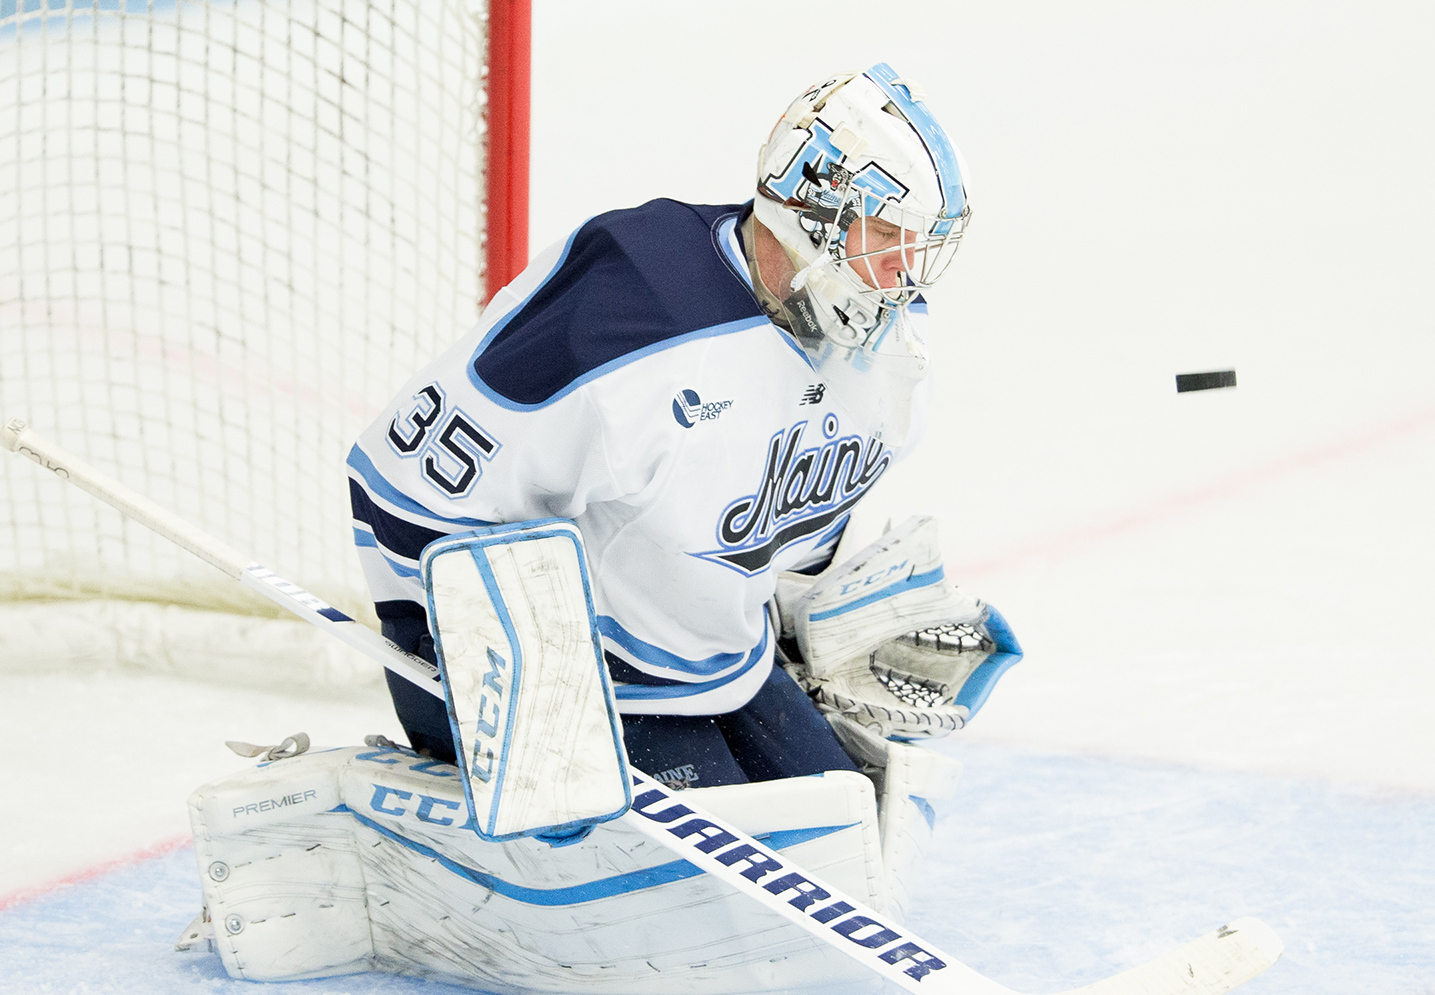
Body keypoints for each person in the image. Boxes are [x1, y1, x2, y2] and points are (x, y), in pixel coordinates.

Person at [347, 63, 977, 790]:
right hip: (575, 677)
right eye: (885, 236)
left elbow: (795, 527)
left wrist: (820, 617)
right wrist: (461, 672)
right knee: (740, 888)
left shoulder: (889, 345)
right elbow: (398, 484)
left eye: (919, 247)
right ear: (815, 213)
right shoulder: (630, 311)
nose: (903, 277)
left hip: (722, 665)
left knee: (851, 822)